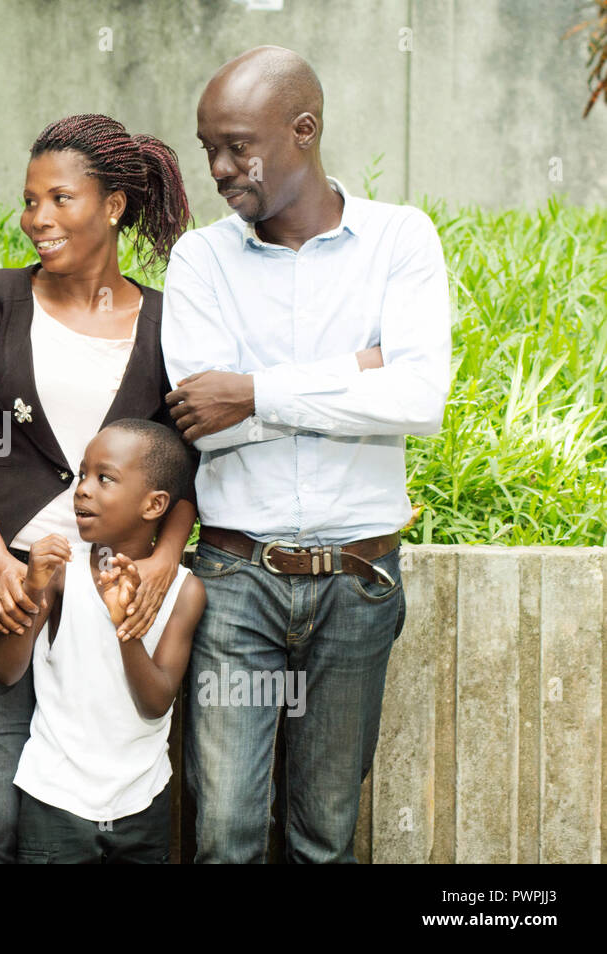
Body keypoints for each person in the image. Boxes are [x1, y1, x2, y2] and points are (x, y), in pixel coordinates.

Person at [163, 46, 451, 863]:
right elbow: (201, 420)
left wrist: (254, 392)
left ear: (304, 130)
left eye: (238, 145)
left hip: (358, 581)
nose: (219, 167)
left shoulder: (400, 239)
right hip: (235, 579)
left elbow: (416, 401)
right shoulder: (201, 258)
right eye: (208, 146)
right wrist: (359, 372)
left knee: (324, 838)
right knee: (223, 834)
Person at [0, 114, 196, 863]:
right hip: (5, 581)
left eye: (60, 199)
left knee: (102, 800)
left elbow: (187, 463)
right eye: (29, 201)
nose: (37, 220)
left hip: (112, 594)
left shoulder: (164, 321)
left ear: (113, 206)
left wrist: (161, 565)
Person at [0, 420, 205, 864]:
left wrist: (125, 626)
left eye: (104, 478)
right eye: (82, 474)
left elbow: (155, 702)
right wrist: (31, 591)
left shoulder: (184, 591)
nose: (82, 489)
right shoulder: (58, 574)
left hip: (141, 803)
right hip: (55, 799)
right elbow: (6, 670)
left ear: (155, 504)